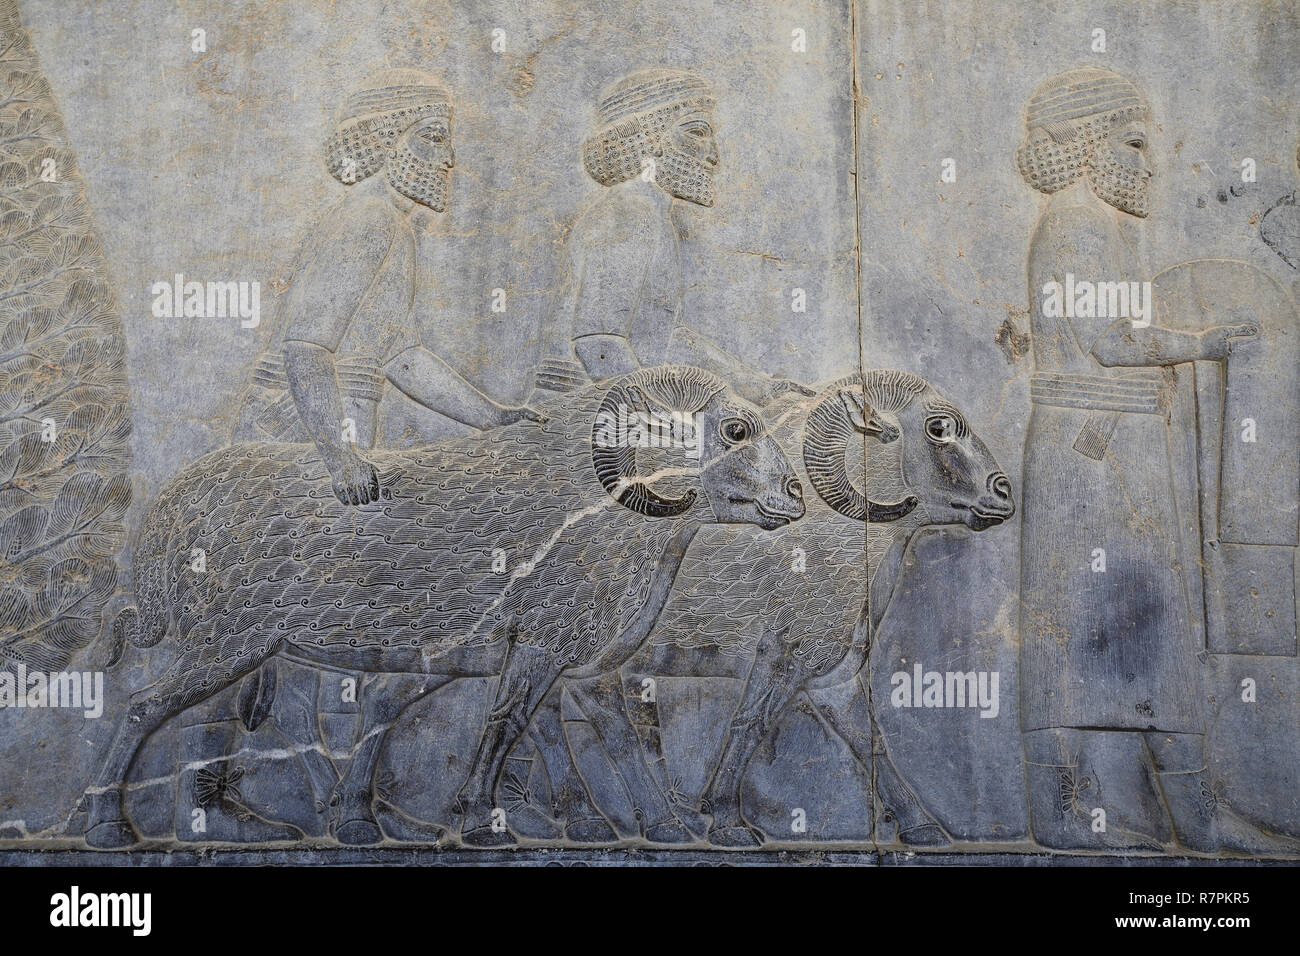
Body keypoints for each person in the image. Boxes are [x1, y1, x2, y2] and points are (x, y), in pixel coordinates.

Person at [177, 70, 539, 842]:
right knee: (250, 632)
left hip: (331, 434)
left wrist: (492, 417)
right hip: (292, 438)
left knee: (285, 634)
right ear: (386, 144)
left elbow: (401, 355)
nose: (449, 161)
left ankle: (307, 798)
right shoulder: (369, 220)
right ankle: (210, 804)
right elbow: (307, 348)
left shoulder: (392, 228)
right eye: (434, 139)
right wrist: (338, 455)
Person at [1014, 68, 1287, 853]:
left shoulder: (1095, 224)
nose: (1149, 163)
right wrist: (1200, 346)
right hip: (1092, 447)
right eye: (1134, 142)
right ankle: (1118, 816)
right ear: (1089, 144)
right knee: (1117, 628)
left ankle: (1175, 817)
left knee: (1126, 629)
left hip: (1110, 440)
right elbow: (1109, 341)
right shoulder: (1077, 227)